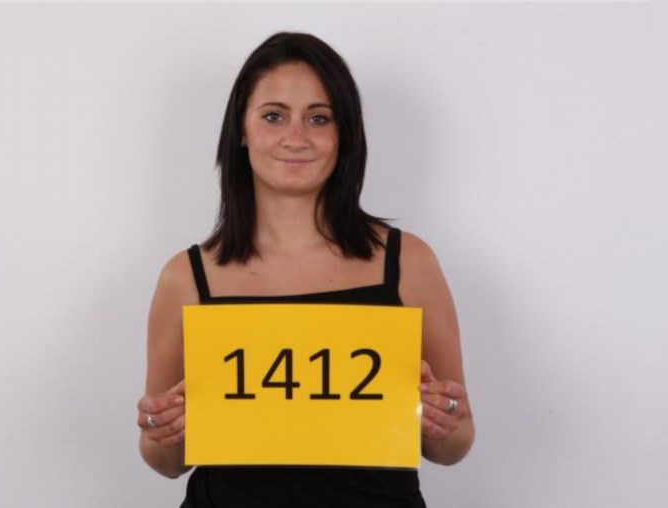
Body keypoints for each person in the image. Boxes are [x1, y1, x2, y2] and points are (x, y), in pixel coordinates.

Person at [137, 32, 474, 507]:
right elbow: (166, 461)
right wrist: (163, 429)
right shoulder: (186, 277)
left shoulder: (408, 263)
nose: (296, 138)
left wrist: (446, 419)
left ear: (343, 134)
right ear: (241, 130)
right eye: (274, 116)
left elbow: (452, 446)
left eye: (319, 118)